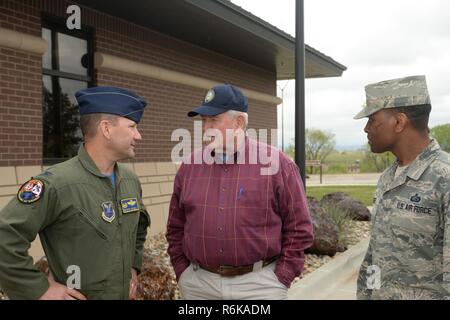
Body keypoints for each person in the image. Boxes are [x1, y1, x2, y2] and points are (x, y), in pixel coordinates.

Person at [0, 87, 151, 300]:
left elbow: (139, 227)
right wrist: (40, 290)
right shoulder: (57, 184)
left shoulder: (130, 182)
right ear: (106, 129)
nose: (138, 135)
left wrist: (133, 267)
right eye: (132, 126)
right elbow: (5, 236)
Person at [166, 83, 313, 300]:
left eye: (213, 120)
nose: (205, 128)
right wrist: (183, 272)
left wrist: (281, 277)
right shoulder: (189, 167)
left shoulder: (277, 164)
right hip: (199, 286)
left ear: (239, 122)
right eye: (203, 121)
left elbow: (299, 228)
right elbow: (175, 227)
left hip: (260, 288)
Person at [354, 75, 450, 299]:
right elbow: (376, 254)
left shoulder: (444, 178)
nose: (366, 129)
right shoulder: (388, 178)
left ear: (399, 122)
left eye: (372, 120)